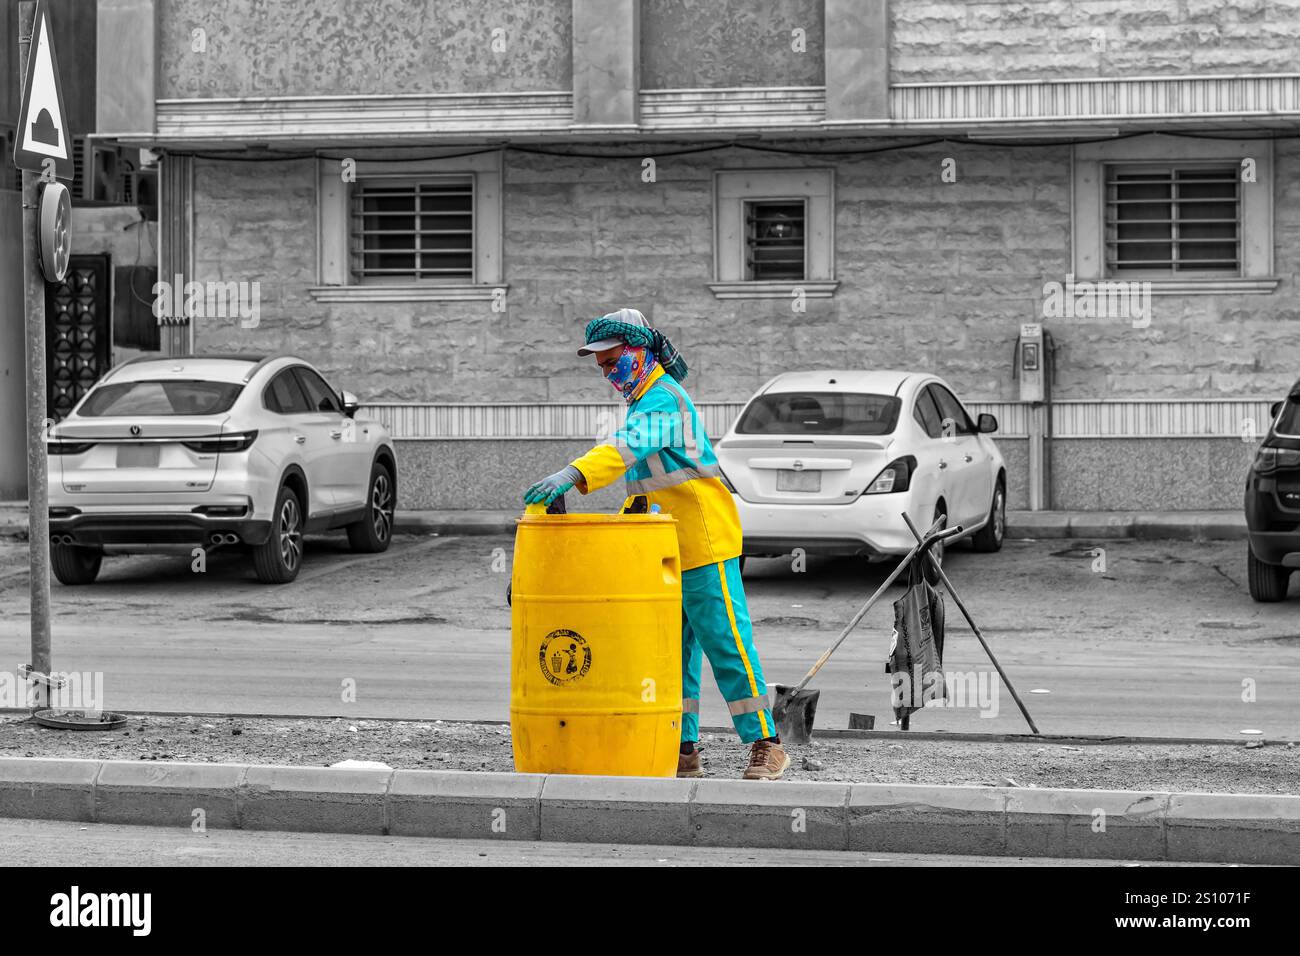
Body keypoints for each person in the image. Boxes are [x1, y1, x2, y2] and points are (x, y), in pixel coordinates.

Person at [524, 308, 789, 780]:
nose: (607, 373)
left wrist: (575, 473)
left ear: (638, 351)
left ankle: (766, 745)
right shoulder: (644, 400)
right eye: (600, 366)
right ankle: (683, 748)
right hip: (663, 549)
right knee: (673, 658)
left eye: (611, 361)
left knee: (727, 645)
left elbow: (629, 444)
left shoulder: (663, 399)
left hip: (703, 543)